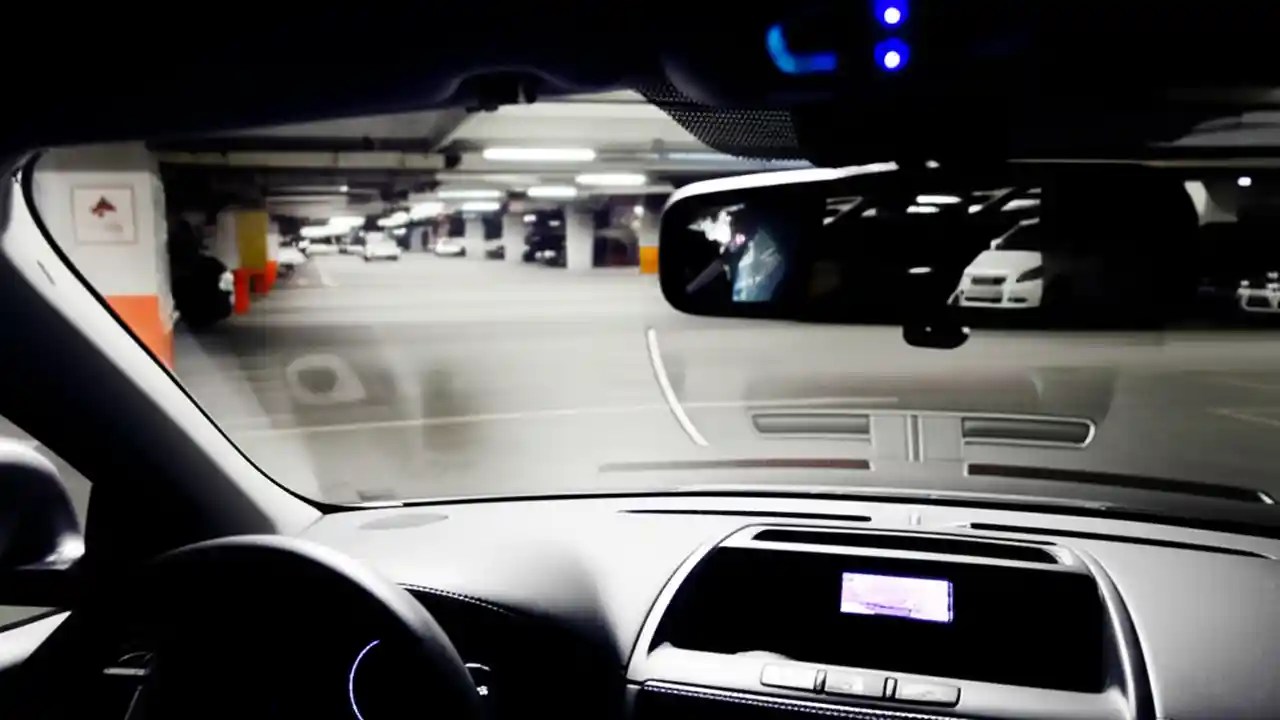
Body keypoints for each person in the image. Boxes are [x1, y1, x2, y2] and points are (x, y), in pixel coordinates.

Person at [167, 219, 232, 329]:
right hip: (213, 310)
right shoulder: (213, 264)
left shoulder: (174, 270)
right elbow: (227, 287)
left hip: (193, 311)